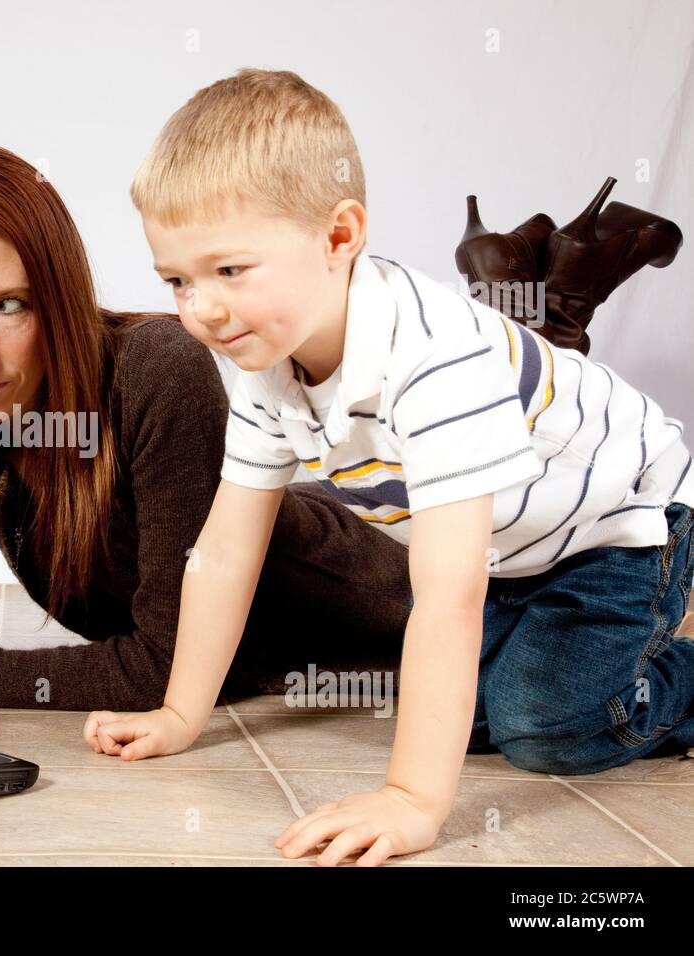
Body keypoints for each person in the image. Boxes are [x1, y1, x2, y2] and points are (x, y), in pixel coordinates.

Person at [83, 68, 694, 865]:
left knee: (545, 726)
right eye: (178, 280)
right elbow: (226, 552)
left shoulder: (433, 361)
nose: (202, 310)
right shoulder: (267, 363)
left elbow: (447, 596)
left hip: (617, 527)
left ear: (338, 237)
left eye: (229, 271)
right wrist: (178, 713)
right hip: (511, 544)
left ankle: (667, 672)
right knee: (462, 717)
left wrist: (411, 799)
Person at [0, 143, 413, 710]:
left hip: (412, 593)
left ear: (57, 298)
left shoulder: (159, 370)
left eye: (10, 305)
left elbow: (166, 669)